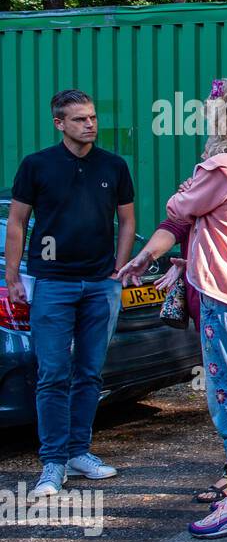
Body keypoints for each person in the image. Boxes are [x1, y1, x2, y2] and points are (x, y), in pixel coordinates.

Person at [116, 79, 227, 538]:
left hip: (224, 295)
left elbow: (178, 210)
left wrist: (151, 247)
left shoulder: (219, 168)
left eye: (211, 111)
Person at [6, 90, 134, 497]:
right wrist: (13, 278)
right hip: (53, 284)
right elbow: (17, 222)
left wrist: (119, 267)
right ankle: (53, 462)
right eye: (80, 119)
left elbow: (128, 219)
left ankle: (80, 452)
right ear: (59, 123)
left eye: (93, 117)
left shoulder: (113, 165)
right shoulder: (37, 165)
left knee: (90, 373)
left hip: (101, 285)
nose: (90, 125)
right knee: (52, 374)